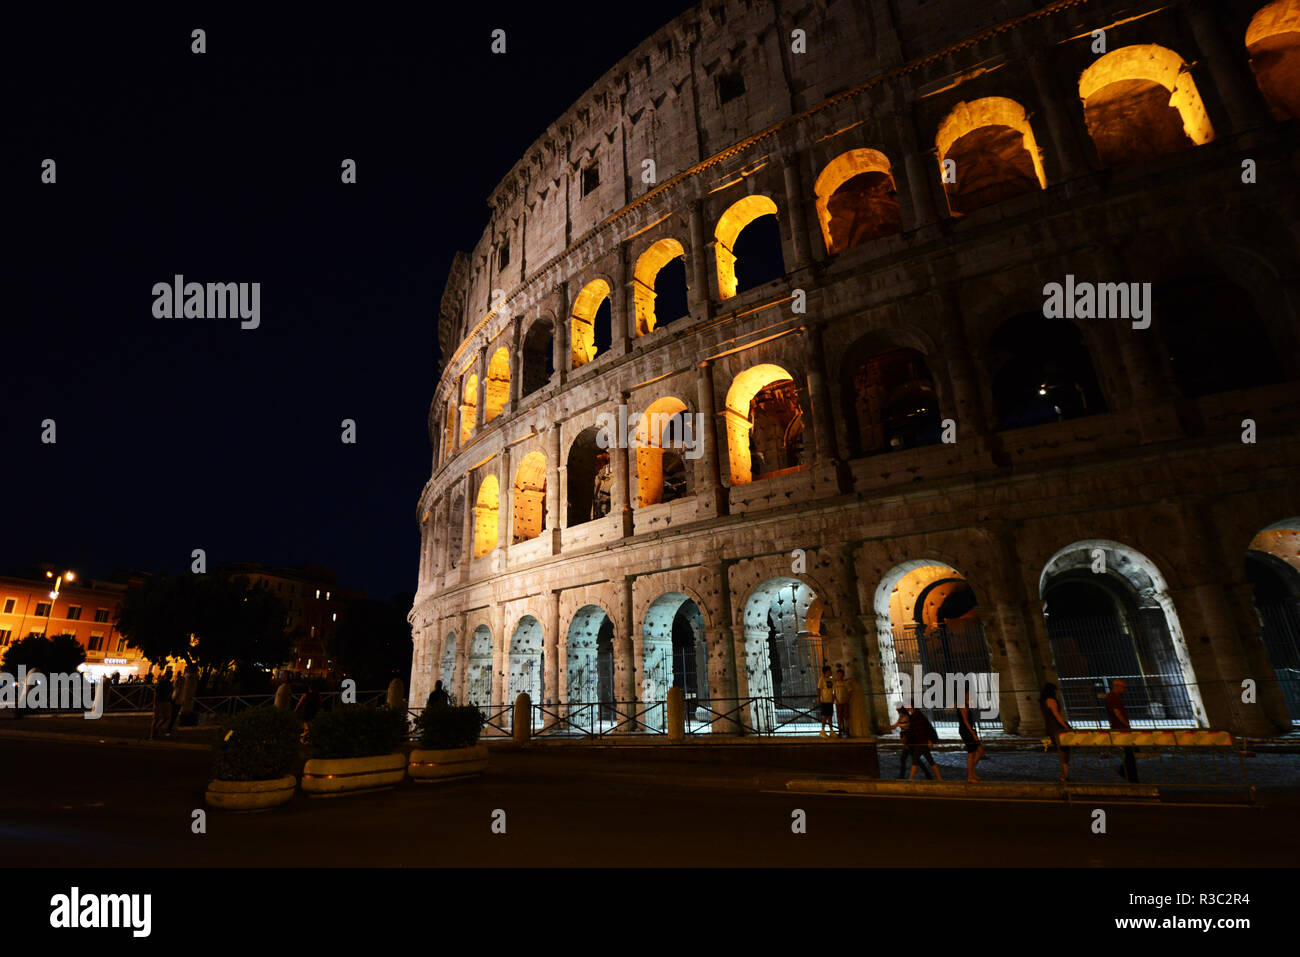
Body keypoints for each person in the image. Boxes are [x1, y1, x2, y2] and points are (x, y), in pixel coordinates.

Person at [1105, 678, 1138, 782]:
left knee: (1129, 752)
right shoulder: (1113, 697)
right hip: (1121, 728)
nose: (1125, 689)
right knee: (1130, 752)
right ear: (1117, 686)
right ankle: (1129, 775)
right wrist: (1126, 724)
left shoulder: (1111, 697)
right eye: (1124, 687)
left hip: (1119, 727)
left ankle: (1126, 773)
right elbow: (1117, 712)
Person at [1040, 682, 1073, 782]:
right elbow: (1057, 715)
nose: (1057, 691)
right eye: (1055, 690)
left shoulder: (1043, 701)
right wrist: (1066, 726)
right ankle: (1064, 775)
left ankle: (1064, 774)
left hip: (1050, 727)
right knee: (1064, 750)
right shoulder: (1051, 700)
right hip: (1056, 727)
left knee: (1062, 750)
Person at [905, 705, 942, 780]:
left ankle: (911, 779)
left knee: (915, 760)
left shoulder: (916, 716)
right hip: (921, 741)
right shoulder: (916, 714)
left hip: (921, 741)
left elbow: (923, 729)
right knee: (930, 760)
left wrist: (928, 740)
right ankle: (939, 778)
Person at [956, 693, 985, 782]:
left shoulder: (966, 705)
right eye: (968, 695)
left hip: (968, 730)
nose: (970, 696)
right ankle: (970, 776)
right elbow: (965, 721)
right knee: (971, 753)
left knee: (980, 751)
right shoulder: (962, 705)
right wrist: (972, 733)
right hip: (966, 731)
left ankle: (971, 772)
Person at [885, 703, 912, 778]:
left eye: (897, 708)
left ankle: (902, 776)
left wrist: (905, 737)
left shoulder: (906, 717)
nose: (896, 709)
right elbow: (895, 726)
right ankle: (902, 775)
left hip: (907, 738)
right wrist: (884, 728)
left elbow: (909, 728)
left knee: (904, 758)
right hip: (904, 738)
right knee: (907, 758)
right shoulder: (901, 717)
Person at [149, 669, 174, 739]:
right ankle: (152, 735)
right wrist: (154, 704)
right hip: (160, 702)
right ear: (166, 675)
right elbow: (155, 693)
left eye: (171, 675)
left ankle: (156, 728)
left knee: (166, 717)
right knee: (156, 718)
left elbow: (171, 693)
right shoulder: (161, 683)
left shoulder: (170, 683)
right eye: (169, 675)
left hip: (167, 702)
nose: (170, 677)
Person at [816, 665, 836, 737]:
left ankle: (831, 730)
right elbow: (819, 689)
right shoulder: (822, 679)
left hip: (830, 700)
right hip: (824, 700)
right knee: (825, 716)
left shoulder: (832, 680)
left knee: (830, 716)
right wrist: (819, 698)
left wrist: (833, 698)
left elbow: (834, 690)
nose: (831, 672)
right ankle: (822, 730)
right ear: (826, 672)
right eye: (829, 670)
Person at [833, 667, 852, 738]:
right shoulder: (835, 684)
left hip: (845, 702)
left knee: (846, 717)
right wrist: (836, 700)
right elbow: (834, 693)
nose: (839, 676)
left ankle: (847, 731)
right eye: (838, 674)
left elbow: (850, 692)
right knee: (839, 718)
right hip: (838, 703)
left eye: (841, 674)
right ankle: (840, 731)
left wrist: (847, 699)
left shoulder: (846, 683)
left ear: (843, 675)